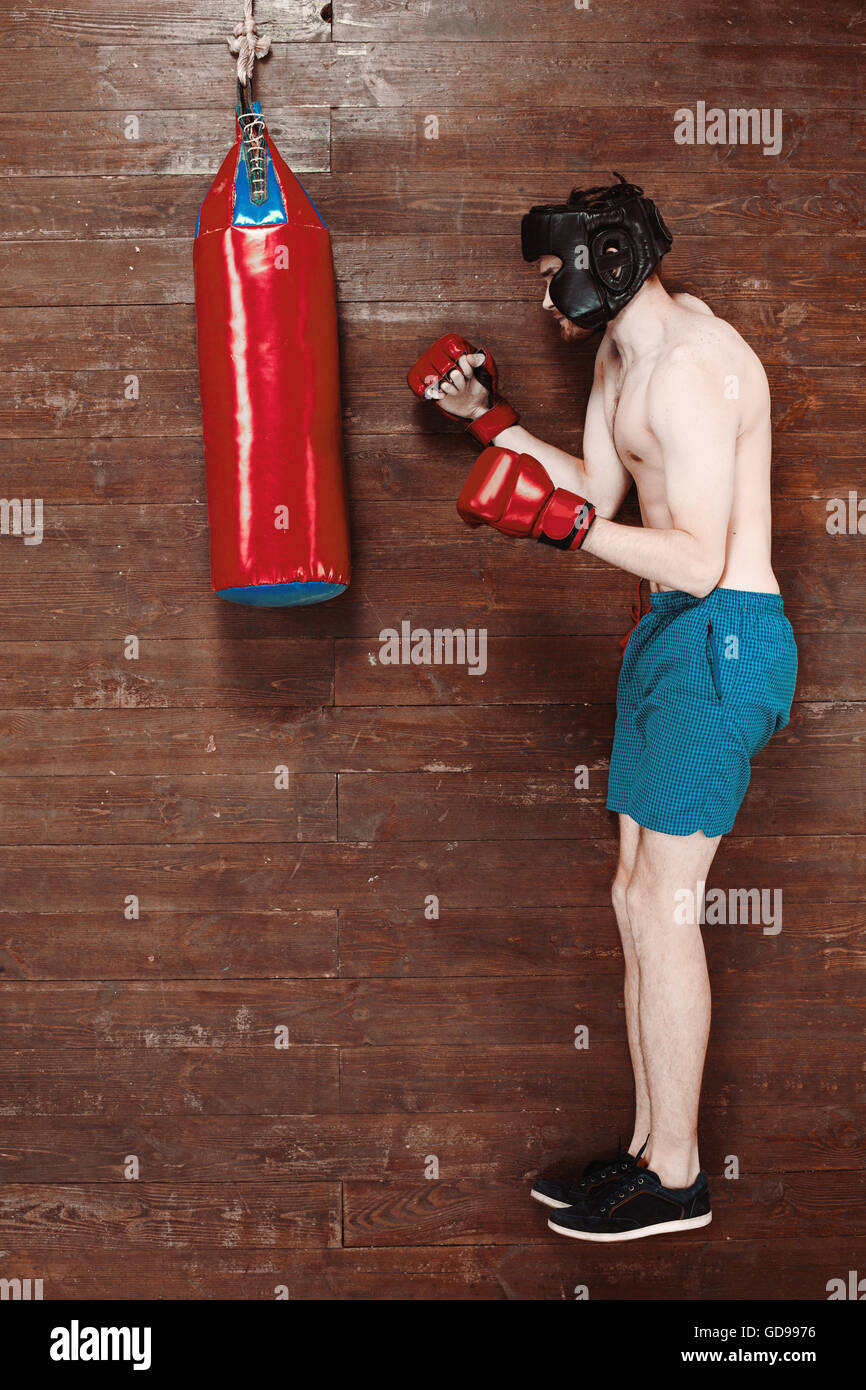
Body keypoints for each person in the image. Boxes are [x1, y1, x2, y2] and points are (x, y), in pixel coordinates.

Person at [406, 177, 798, 1242]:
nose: (545, 301)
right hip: (669, 633)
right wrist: (486, 424)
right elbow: (593, 485)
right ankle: (645, 1151)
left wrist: (564, 531)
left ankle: (677, 1175)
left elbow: (698, 557)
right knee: (636, 899)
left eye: (552, 277)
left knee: (666, 905)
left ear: (606, 260)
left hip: (719, 634)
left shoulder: (692, 369)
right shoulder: (622, 360)